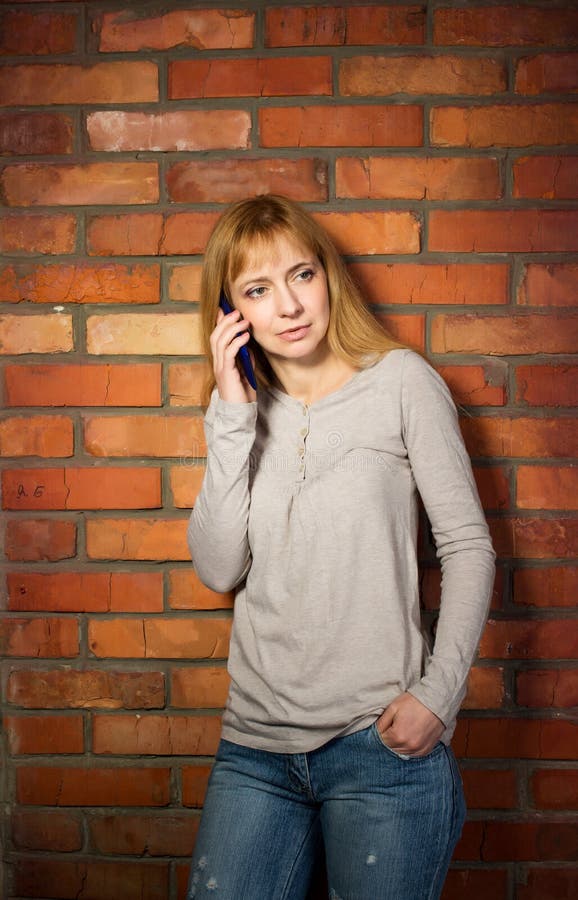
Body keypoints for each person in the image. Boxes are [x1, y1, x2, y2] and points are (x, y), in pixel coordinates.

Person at [186, 194, 495, 900]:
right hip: (255, 752)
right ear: (231, 314)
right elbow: (217, 567)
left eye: (301, 275)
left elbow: (469, 548)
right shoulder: (239, 413)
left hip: (380, 749)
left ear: (328, 277)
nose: (289, 306)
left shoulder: (402, 383)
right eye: (258, 290)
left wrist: (438, 695)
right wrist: (231, 414)